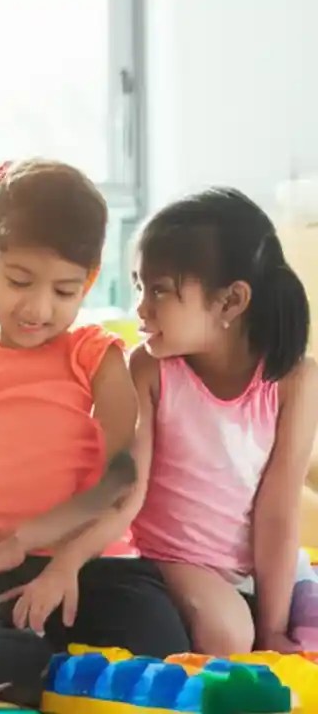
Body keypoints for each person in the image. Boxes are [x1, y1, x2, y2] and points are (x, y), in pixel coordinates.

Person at [0, 159, 189, 707]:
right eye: (19, 281)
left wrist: (60, 557)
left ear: (90, 281)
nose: (38, 308)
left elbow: (120, 477)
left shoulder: (96, 355)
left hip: (103, 562)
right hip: (16, 574)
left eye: (65, 290)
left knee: (161, 649)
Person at [130, 187, 318, 655]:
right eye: (139, 286)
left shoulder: (295, 378)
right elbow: (124, 488)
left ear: (231, 301)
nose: (141, 307)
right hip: (173, 559)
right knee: (230, 634)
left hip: (261, 565)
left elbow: (278, 509)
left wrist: (274, 628)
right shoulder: (150, 368)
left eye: (158, 291)